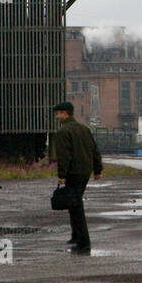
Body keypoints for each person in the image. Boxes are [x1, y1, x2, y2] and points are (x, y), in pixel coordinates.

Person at [51, 101, 102, 253]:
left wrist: (62, 175)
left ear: (65, 114)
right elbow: (95, 150)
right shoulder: (84, 129)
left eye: (58, 113)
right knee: (74, 203)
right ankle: (75, 236)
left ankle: (84, 244)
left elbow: (64, 156)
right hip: (85, 172)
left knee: (77, 208)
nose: (57, 116)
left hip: (73, 173)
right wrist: (97, 169)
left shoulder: (63, 132)